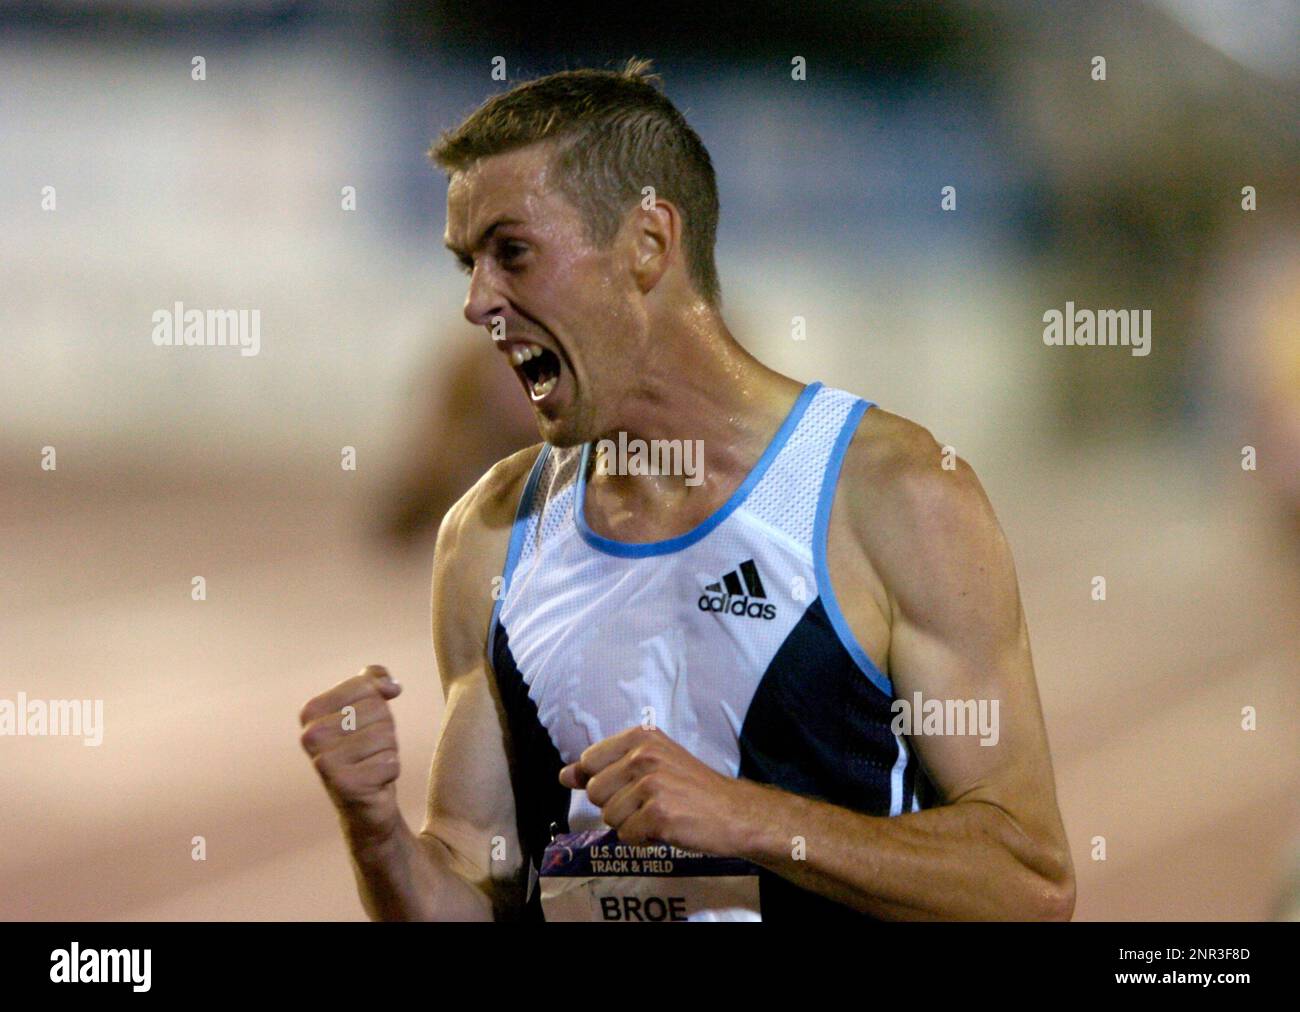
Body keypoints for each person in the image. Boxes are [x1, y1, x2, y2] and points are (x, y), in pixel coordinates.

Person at [298, 58, 1075, 921]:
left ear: (648, 243)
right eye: (467, 265)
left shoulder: (891, 497)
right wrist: (376, 834)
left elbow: (1027, 881)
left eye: (512, 253)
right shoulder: (488, 535)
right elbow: (471, 890)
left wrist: (746, 819)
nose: (478, 302)